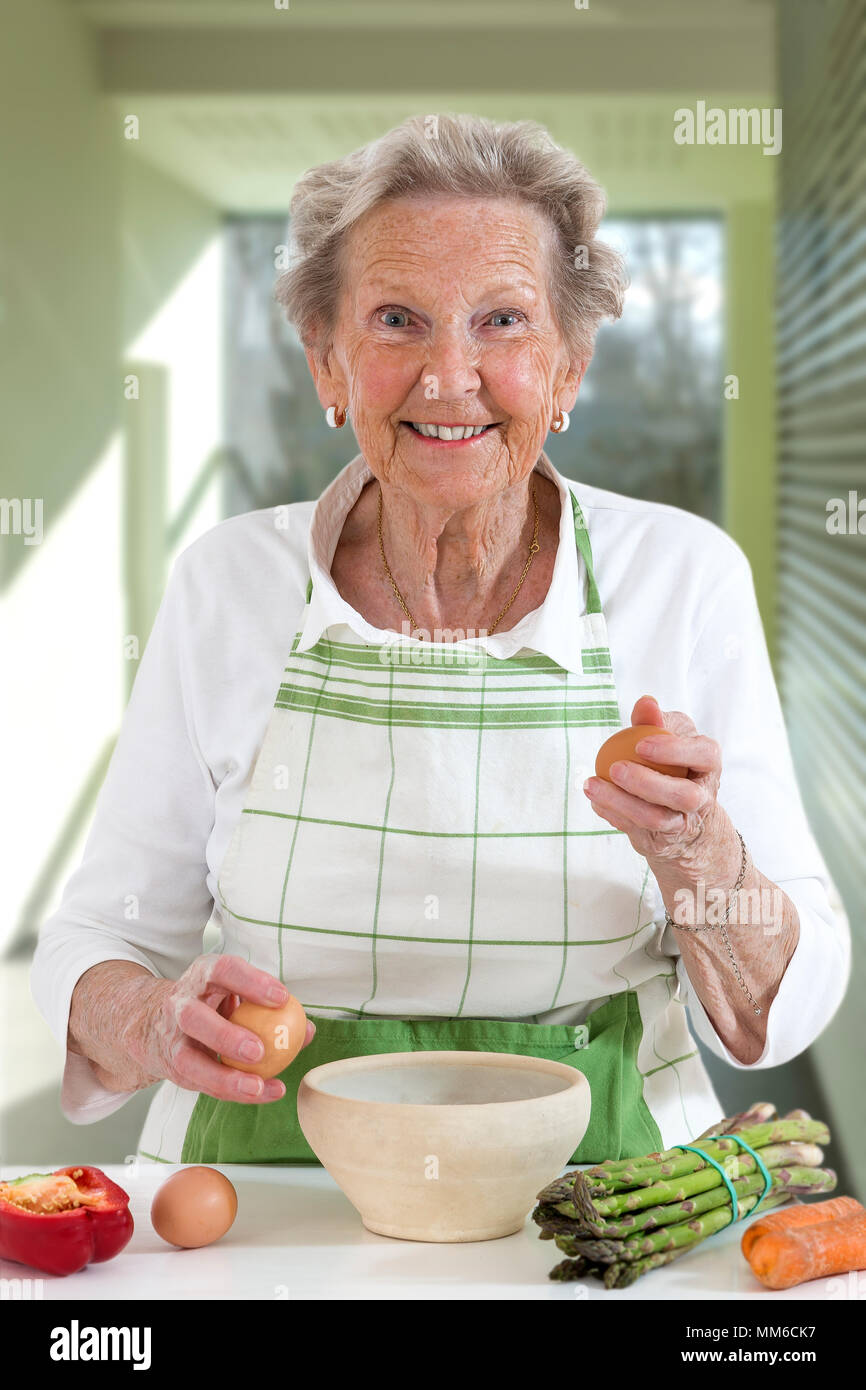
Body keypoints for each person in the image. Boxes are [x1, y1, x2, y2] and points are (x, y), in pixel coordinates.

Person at [32, 115, 849, 1165]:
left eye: (502, 321)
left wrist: (698, 852)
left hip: (595, 1199)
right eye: (397, 319)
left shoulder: (680, 578)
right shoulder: (227, 585)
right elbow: (102, 936)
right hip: (264, 1199)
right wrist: (149, 1019)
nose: (448, 375)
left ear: (567, 369)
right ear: (327, 362)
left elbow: (783, 1007)